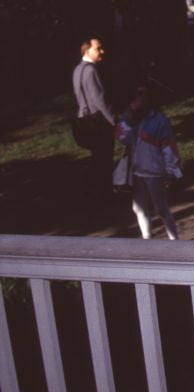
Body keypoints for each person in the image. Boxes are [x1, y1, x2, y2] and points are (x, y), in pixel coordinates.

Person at [115, 83, 182, 239]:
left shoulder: (159, 121)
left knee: (161, 209)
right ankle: (147, 240)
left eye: (144, 96)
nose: (140, 100)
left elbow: (169, 148)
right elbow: (121, 138)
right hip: (137, 172)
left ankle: (175, 240)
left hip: (155, 172)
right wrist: (130, 116)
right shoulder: (130, 119)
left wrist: (171, 170)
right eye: (137, 96)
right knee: (138, 208)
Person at [72, 36, 116, 198]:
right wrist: (112, 120)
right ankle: (104, 193)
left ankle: (92, 192)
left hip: (84, 119)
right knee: (104, 159)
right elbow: (99, 99)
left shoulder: (77, 69)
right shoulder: (91, 70)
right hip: (97, 121)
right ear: (87, 50)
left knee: (97, 158)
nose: (102, 51)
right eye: (98, 49)